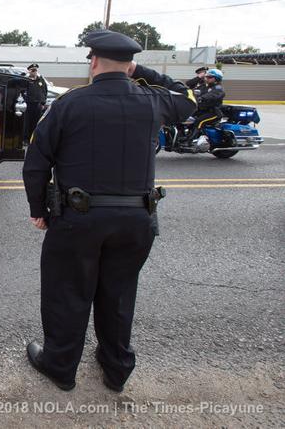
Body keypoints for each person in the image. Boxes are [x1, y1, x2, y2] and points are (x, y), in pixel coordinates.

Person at [22, 30, 196, 392]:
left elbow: (36, 162)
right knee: (118, 294)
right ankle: (116, 370)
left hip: (78, 221)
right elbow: (188, 97)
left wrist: (38, 209)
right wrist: (140, 70)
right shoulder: (154, 100)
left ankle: (60, 367)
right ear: (131, 66)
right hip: (136, 221)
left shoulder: (69, 103)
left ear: (94, 61)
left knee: (68, 293)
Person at [183, 68, 225, 145]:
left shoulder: (218, 88)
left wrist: (202, 98)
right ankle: (182, 136)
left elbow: (213, 94)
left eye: (210, 77)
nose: (207, 78)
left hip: (213, 113)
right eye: (207, 76)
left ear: (216, 78)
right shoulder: (204, 86)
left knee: (199, 121)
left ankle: (189, 141)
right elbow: (190, 87)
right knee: (184, 118)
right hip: (201, 111)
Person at [23, 63, 48, 143]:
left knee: (36, 122)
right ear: (29, 71)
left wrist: (43, 102)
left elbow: (44, 91)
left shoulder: (40, 80)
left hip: (38, 105)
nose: (34, 72)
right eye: (32, 70)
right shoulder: (26, 80)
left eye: (35, 70)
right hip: (28, 105)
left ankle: (34, 139)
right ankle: (26, 139)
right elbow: (22, 91)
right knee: (27, 123)